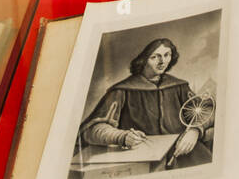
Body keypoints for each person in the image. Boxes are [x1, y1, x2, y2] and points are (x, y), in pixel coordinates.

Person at [78, 37, 212, 169]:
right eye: (155, 57)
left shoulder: (179, 86)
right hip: (143, 160)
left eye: (167, 55)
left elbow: (206, 110)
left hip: (184, 153)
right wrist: (122, 137)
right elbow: (92, 129)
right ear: (142, 60)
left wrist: (195, 130)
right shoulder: (122, 91)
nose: (162, 62)